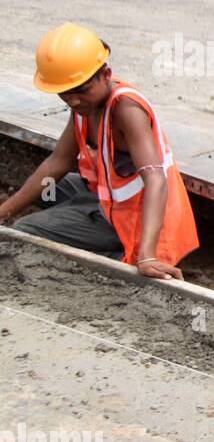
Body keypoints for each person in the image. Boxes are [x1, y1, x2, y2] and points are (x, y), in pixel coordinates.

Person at [0, 23, 198, 279]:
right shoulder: (84, 106)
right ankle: (78, 220)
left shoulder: (126, 109)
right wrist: (3, 211)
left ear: (106, 74)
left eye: (81, 91)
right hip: (106, 196)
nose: (73, 101)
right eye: (65, 93)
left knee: (26, 229)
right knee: (48, 187)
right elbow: (57, 163)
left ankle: (116, 259)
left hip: (131, 216)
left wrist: (147, 255)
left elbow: (155, 180)